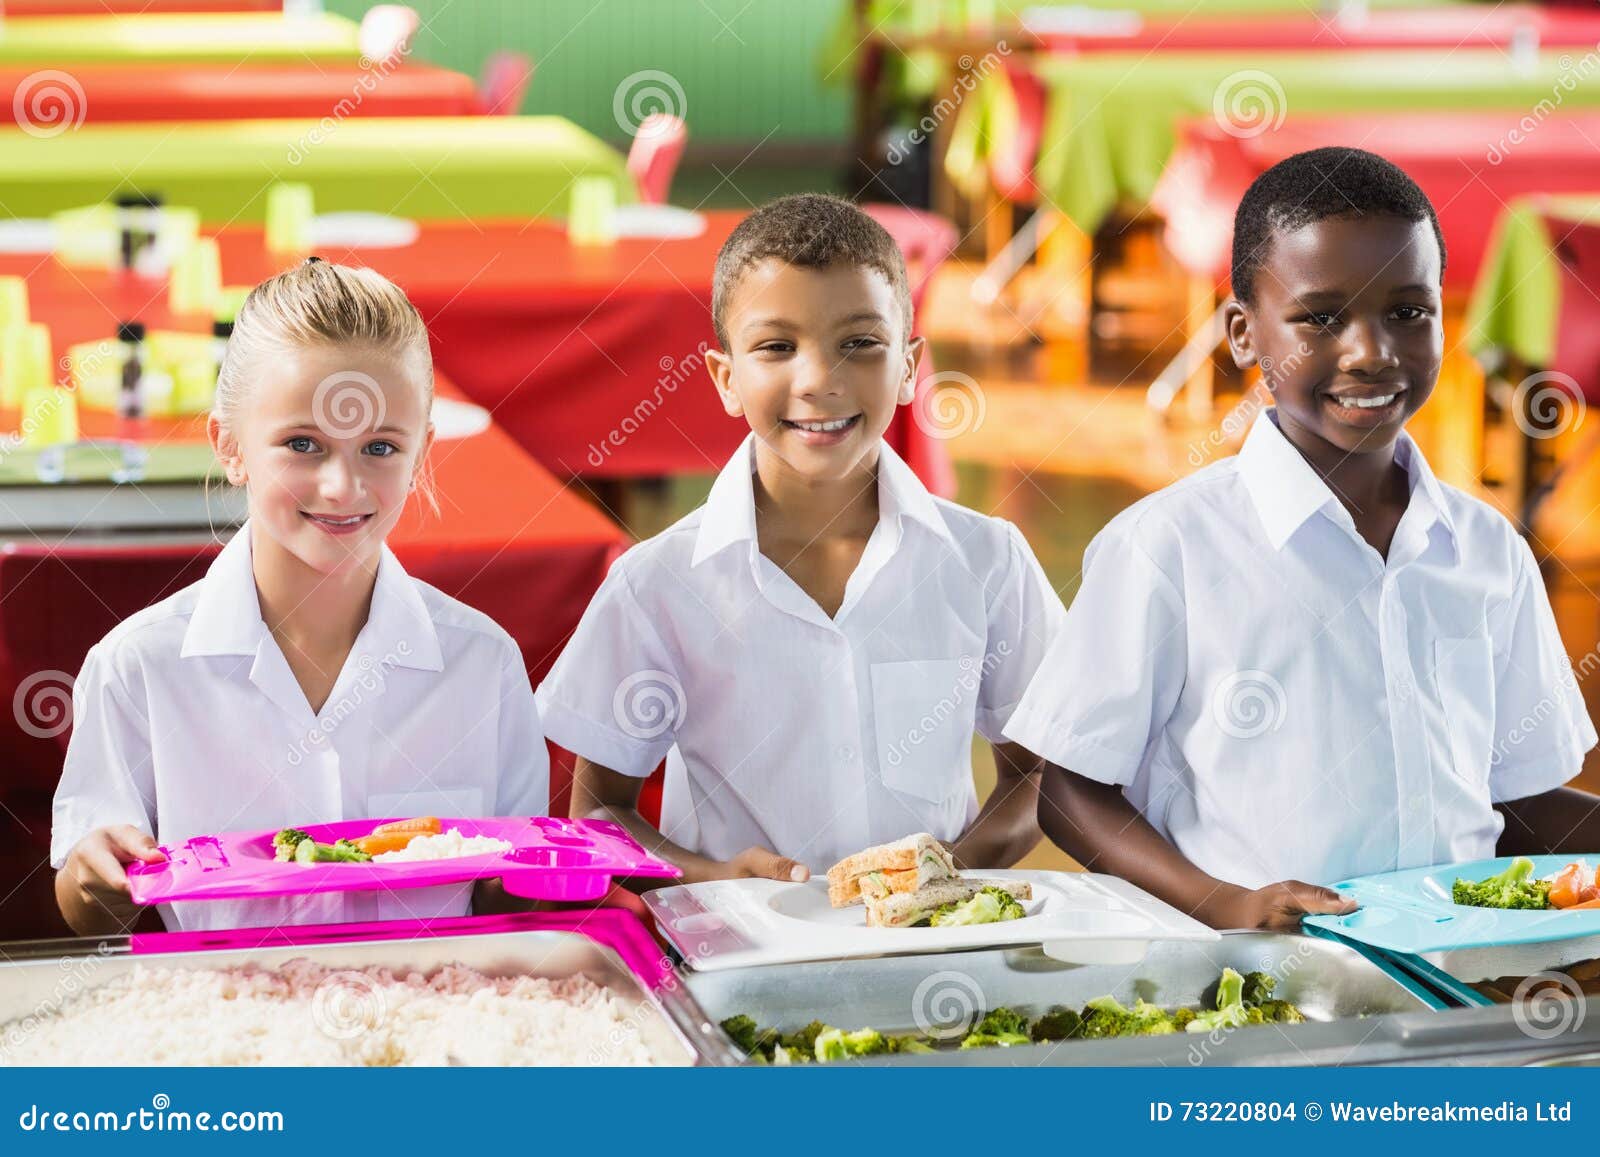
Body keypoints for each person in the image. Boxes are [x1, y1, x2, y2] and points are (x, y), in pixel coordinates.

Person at [1005, 148, 1600, 930]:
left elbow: (1512, 799)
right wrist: (1226, 904)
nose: (1372, 351)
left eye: (1409, 312)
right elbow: (1070, 790)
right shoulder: (1167, 547)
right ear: (1245, 336)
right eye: (1321, 317)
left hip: (1459, 975)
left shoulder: (1488, 549)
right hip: (1259, 987)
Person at [537, 193, 1064, 884]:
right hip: (732, 960)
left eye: (860, 343)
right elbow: (601, 816)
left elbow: (1041, 777)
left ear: (909, 368)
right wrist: (713, 875)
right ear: (726, 379)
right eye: (777, 347)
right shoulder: (655, 584)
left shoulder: (987, 561)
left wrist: (940, 874)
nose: (819, 380)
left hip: (933, 961)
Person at [52, 258, 548, 934]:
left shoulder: (483, 664)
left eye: (379, 446)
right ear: (230, 446)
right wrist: (96, 871)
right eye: (303, 444)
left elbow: (508, 903)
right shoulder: (137, 667)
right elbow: (87, 905)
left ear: (422, 453)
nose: (343, 486)